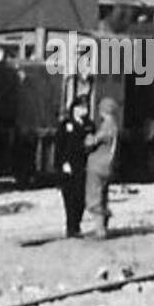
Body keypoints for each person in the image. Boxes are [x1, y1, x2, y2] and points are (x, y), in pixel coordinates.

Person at [54, 94, 93, 238]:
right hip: (69, 166)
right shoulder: (66, 125)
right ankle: (71, 228)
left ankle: (77, 224)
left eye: (86, 107)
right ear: (74, 108)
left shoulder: (89, 125)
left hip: (83, 166)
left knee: (81, 199)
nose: (85, 110)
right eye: (82, 107)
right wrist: (62, 164)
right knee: (69, 198)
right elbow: (59, 147)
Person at [84, 96, 121, 238]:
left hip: (98, 165)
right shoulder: (115, 125)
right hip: (108, 165)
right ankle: (103, 227)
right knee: (103, 197)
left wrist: (88, 137)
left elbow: (91, 142)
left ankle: (100, 230)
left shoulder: (106, 126)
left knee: (95, 198)